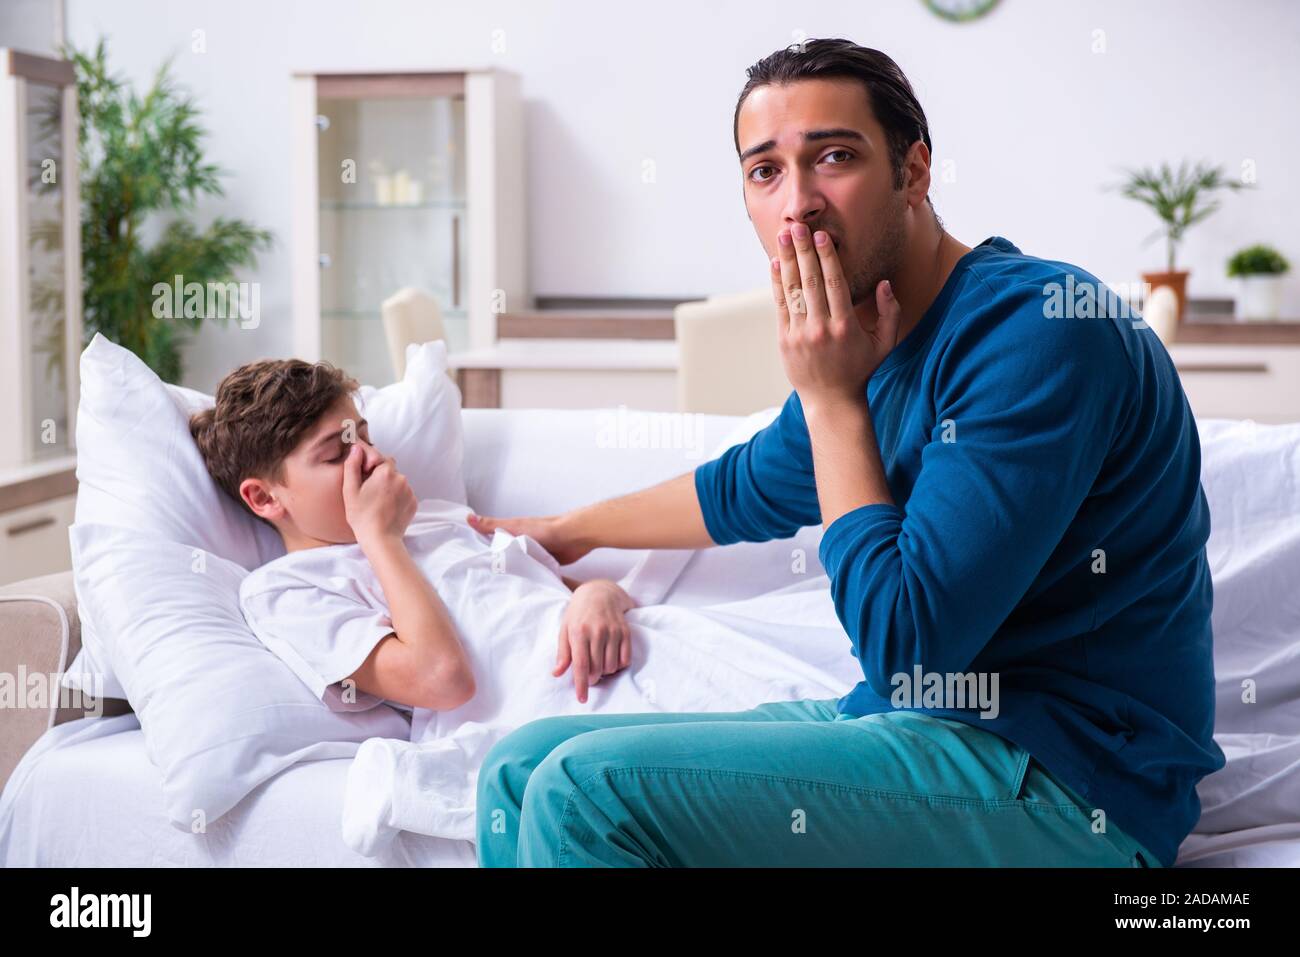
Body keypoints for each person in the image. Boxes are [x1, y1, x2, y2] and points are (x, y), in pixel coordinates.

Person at [467, 38, 1225, 867]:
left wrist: (831, 399)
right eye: (765, 171)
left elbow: (908, 651)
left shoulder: (1039, 331)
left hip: (1074, 783)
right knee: (518, 767)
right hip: (927, 728)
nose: (798, 204)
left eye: (834, 157)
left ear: (915, 171)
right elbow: (743, 487)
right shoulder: (878, 335)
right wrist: (567, 528)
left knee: (582, 789)